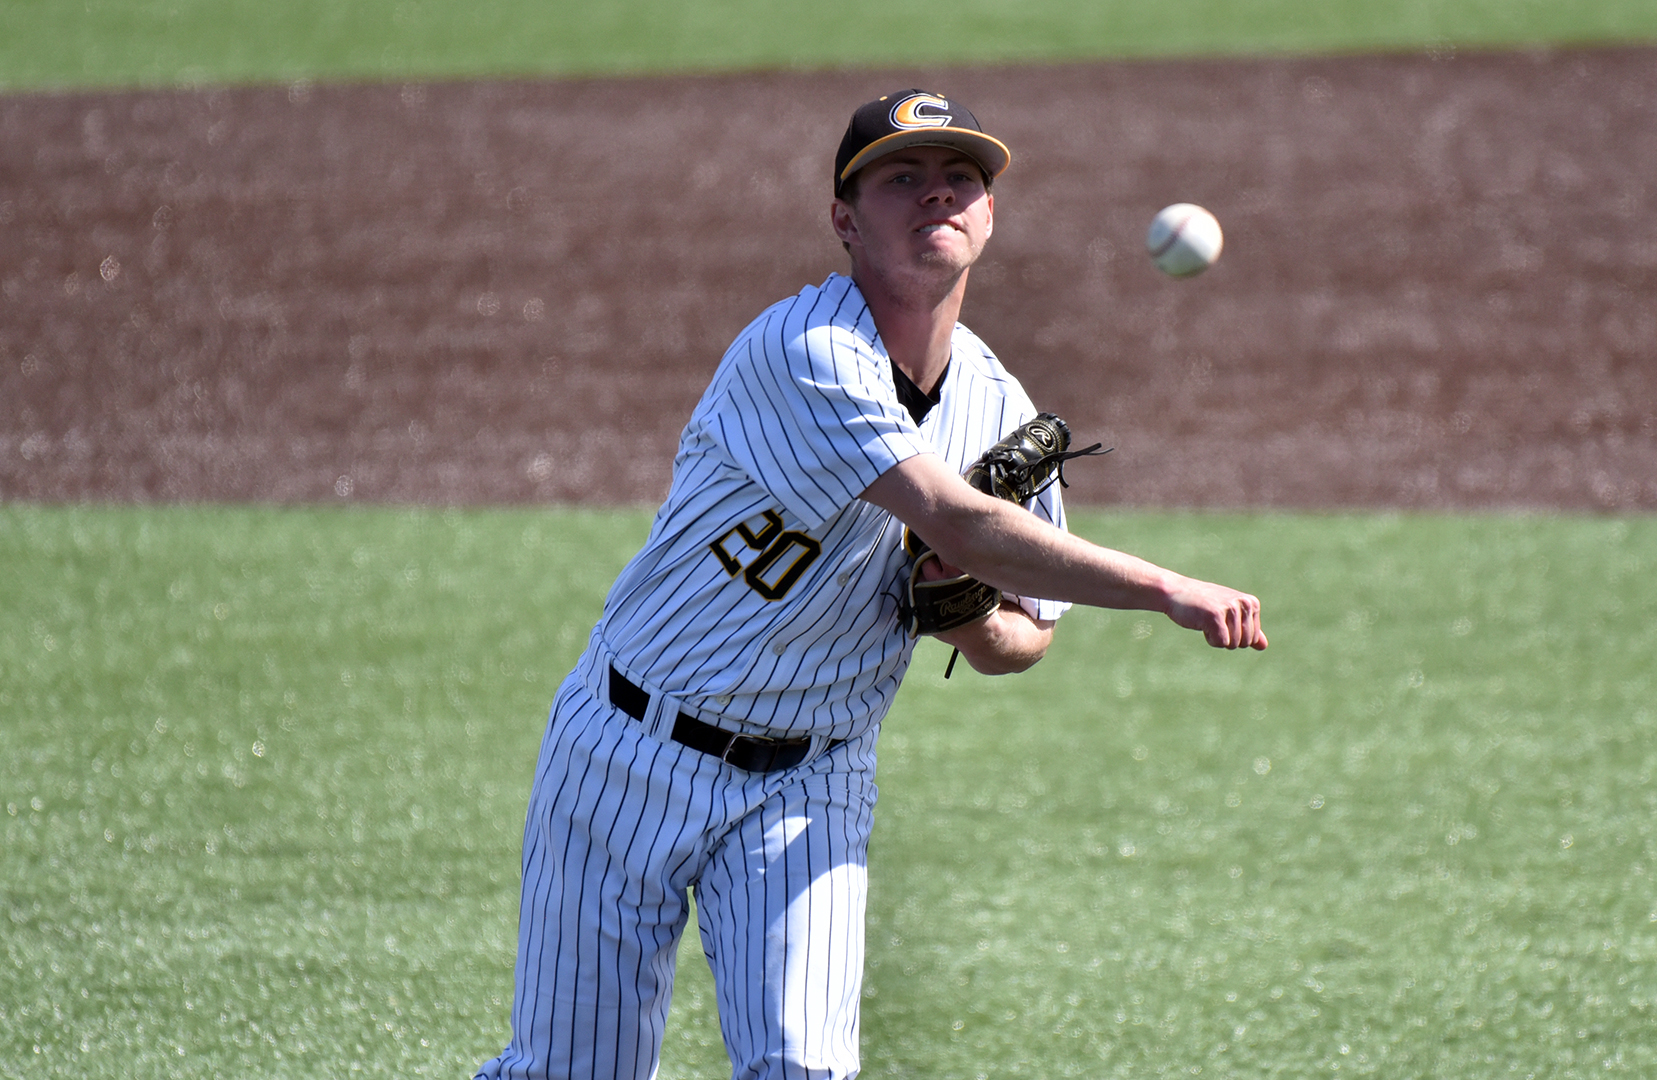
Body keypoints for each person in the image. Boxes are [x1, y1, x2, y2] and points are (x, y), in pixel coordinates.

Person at [474, 88, 1266, 1080]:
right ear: (845, 219)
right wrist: (1166, 589)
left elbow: (1025, 638)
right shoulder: (802, 351)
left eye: (961, 178)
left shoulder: (997, 406)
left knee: (808, 1069)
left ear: (989, 216)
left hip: (814, 777)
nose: (938, 193)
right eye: (904, 177)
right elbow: (953, 514)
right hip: (630, 747)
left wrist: (970, 617)